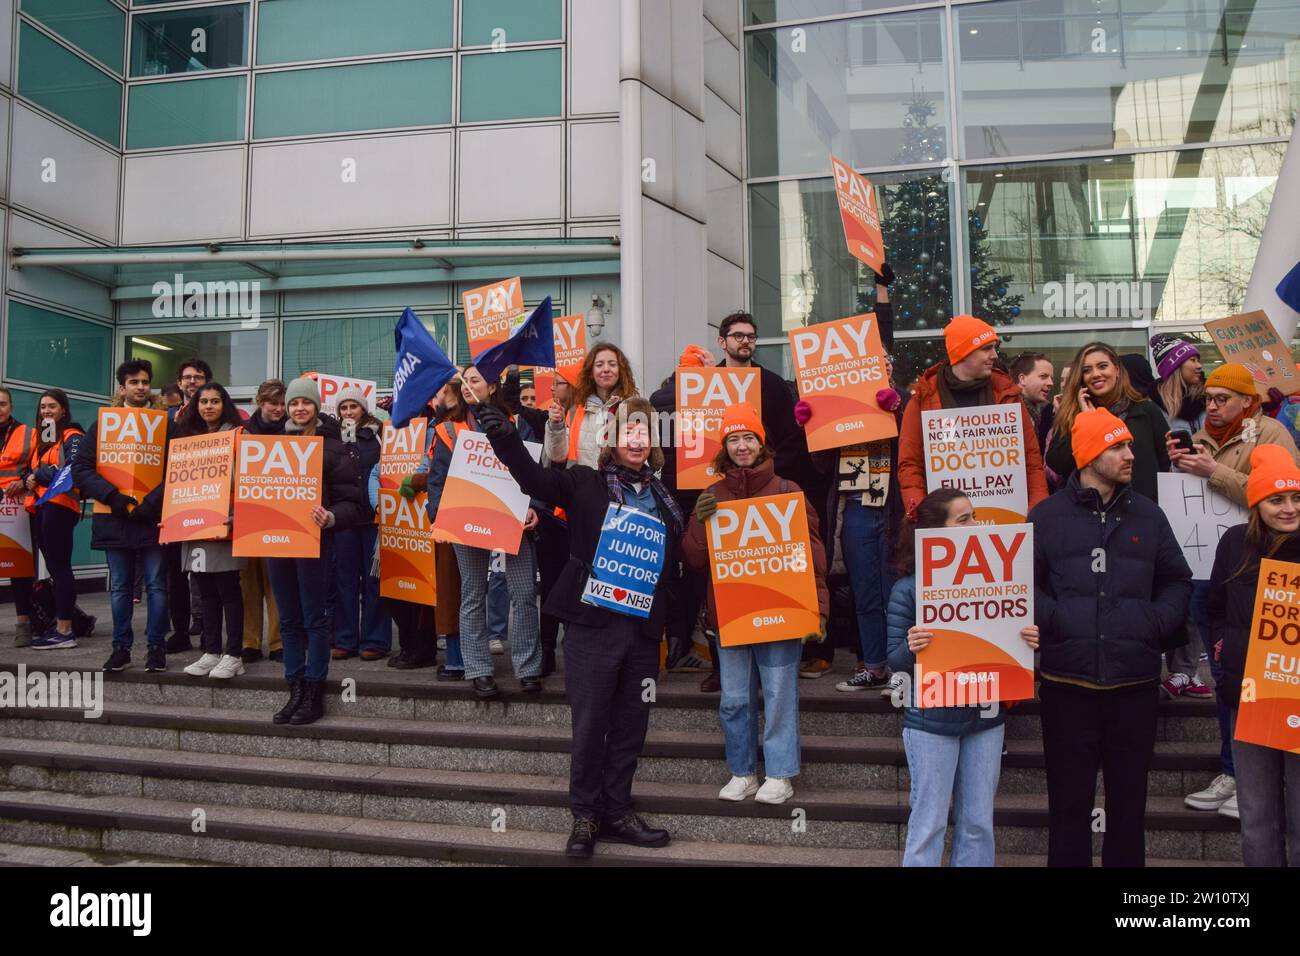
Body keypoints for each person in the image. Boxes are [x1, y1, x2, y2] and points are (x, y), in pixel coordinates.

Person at [476, 394, 680, 859]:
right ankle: (585, 815)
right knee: (590, 725)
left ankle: (618, 811)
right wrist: (506, 439)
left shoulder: (665, 498)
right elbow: (534, 478)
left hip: (643, 631)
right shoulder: (585, 482)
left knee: (632, 725)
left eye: (644, 432)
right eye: (628, 430)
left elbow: (676, 563)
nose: (636, 439)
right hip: (593, 626)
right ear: (610, 438)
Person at [1030, 407, 1192, 866]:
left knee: (1129, 809)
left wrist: (1153, 626)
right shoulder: (1045, 517)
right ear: (1088, 455)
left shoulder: (1149, 514)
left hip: (1134, 688)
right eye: (1117, 446)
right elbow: (1024, 585)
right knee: (1067, 808)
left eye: (1128, 445)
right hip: (1067, 687)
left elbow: (1177, 580)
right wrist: (1057, 620)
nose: (1129, 454)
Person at [681, 402, 829, 805]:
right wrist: (699, 520)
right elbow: (693, 559)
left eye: (749, 438)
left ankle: (780, 774)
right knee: (733, 699)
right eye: (734, 439)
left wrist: (819, 610)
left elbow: (813, 555)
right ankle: (742, 771)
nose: (742, 446)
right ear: (724, 447)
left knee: (780, 695)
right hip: (731, 617)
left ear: (761, 444)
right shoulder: (711, 495)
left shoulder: (787, 490)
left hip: (781, 614)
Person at [1168, 362, 1300, 812]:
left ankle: (1260, 781)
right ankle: (1233, 771)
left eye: (1222, 398)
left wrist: (1213, 472)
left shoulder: (1273, 436)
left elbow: (1282, 500)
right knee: (1227, 679)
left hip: (1270, 569)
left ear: (1248, 401)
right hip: (1215, 569)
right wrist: (1183, 467)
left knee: (1267, 679)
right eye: (1208, 398)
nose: (1212, 406)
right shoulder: (1202, 439)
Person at [888, 488, 1040, 866]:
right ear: (935, 532)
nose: (976, 524)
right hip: (931, 721)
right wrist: (913, 647)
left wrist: (1029, 642)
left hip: (986, 716)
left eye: (974, 516)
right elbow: (895, 663)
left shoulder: (1000, 579)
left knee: (977, 824)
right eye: (964, 519)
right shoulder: (908, 589)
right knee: (929, 824)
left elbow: (1012, 648)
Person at [1206, 444, 1300, 865]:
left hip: (1297, 701)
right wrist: (1225, 663)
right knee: (1257, 816)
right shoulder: (1233, 544)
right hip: (1250, 696)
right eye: (1277, 499)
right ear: (1257, 502)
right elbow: (1214, 610)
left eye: (1297, 498)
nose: (1289, 508)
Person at [426, 365, 542, 699]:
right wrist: (439, 518)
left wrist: (534, 506)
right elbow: (438, 481)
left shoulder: (517, 425)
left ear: (492, 387)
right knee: (473, 594)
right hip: (466, 518)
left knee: (522, 594)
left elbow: (535, 469)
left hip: (514, 519)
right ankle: (478, 669)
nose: (466, 386)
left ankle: (528, 668)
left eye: (474, 379)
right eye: (463, 380)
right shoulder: (448, 429)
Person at [267, 377, 368, 726]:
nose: (298, 408)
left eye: (305, 403)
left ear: (316, 407)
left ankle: (313, 691)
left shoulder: (334, 447)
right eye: (293, 403)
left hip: (314, 542)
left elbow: (353, 504)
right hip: (276, 543)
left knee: (314, 619)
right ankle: (293, 687)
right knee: (289, 619)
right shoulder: (272, 447)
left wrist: (331, 517)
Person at [897, 314, 1049, 519]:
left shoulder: (1007, 395)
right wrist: (922, 513)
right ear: (963, 353)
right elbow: (910, 464)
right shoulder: (922, 400)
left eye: (994, 347)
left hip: (1007, 517)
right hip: (945, 523)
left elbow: (1030, 458)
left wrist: (1037, 506)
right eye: (986, 348)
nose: (995, 355)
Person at [73, 360, 171, 673]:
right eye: (134, 382)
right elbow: (81, 469)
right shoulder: (103, 424)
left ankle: (156, 647)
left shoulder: (166, 423)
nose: (141, 387)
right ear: (122, 388)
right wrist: (112, 496)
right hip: (114, 518)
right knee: (120, 588)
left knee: (156, 585)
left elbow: (179, 468)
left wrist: (151, 503)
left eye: (145, 381)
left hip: (153, 518)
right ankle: (120, 648)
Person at [174, 383, 246, 680]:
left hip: (226, 524)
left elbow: (248, 478)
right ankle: (212, 651)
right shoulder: (189, 439)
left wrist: (237, 514)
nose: (208, 407)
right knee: (204, 590)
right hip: (196, 524)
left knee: (228, 590)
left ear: (224, 404)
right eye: (204, 401)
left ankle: (234, 655)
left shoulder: (239, 436)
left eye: (215, 401)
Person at [1047, 342, 1170, 501]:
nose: (1096, 374)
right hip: (1092, 512)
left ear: (1117, 370)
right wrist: (1088, 421)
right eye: (1087, 370)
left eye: (1102, 366)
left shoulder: (1146, 411)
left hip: (1140, 511)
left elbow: (1166, 464)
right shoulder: (1073, 414)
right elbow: (1057, 463)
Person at [331, 386, 390, 661]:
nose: (348, 412)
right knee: (344, 581)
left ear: (363, 409)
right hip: (344, 521)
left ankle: (375, 640)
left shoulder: (379, 436)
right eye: (343, 408)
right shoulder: (334, 439)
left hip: (372, 520)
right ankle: (344, 638)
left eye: (353, 406)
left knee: (373, 580)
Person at [23, 390, 85, 649]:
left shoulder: (72, 435)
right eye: (43, 407)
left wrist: (39, 474)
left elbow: (72, 468)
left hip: (60, 506)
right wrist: (29, 476)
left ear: (63, 410)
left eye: (52, 406)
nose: (46, 411)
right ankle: (62, 624)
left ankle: (64, 630)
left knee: (60, 567)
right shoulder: (42, 438)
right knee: (56, 568)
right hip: (42, 507)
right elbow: (35, 469)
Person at [163, 357, 213, 651]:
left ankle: (208, 630)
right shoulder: (166, 418)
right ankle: (180, 631)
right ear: (180, 383)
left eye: (198, 377)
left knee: (206, 572)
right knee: (175, 574)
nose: (192, 381)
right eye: (187, 377)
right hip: (174, 504)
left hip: (207, 500)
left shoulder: (213, 415)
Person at [241, 379, 285, 663]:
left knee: (277, 584)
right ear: (260, 403)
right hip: (248, 516)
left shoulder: (293, 433)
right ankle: (251, 642)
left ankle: (278, 642)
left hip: (281, 517)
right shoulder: (242, 433)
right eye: (273, 403)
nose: (279, 409)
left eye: (283, 404)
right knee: (249, 584)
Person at [546, 343, 638, 468]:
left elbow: (647, 458)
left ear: (621, 370)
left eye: (612, 364)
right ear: (591, 372)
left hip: (622, 486)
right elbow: (558, 456)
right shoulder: (575, 411)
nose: (606, 369)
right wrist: (556, 425)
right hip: (586, 485)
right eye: (599, 365)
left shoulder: (636, 407)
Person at [0, 388, 38, 647]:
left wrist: (24, 481)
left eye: (2, 404)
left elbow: (38, 467)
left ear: (10, 406)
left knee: (19, 569)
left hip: (15, 507)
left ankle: (23, 624)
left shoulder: (28, 434)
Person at [1149, 333, 1206, 434]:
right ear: (1175, 367)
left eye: (1198, 361)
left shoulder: (1208, 397)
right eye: (1193, 360)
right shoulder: (1154, 405)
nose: (1199, 366)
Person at [1010, 352, 1055, 456]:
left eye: (1051, 378)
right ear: (1022, 379)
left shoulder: (1041, 412)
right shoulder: (1009, 413)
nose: (1050, 383)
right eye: (1043, 376)